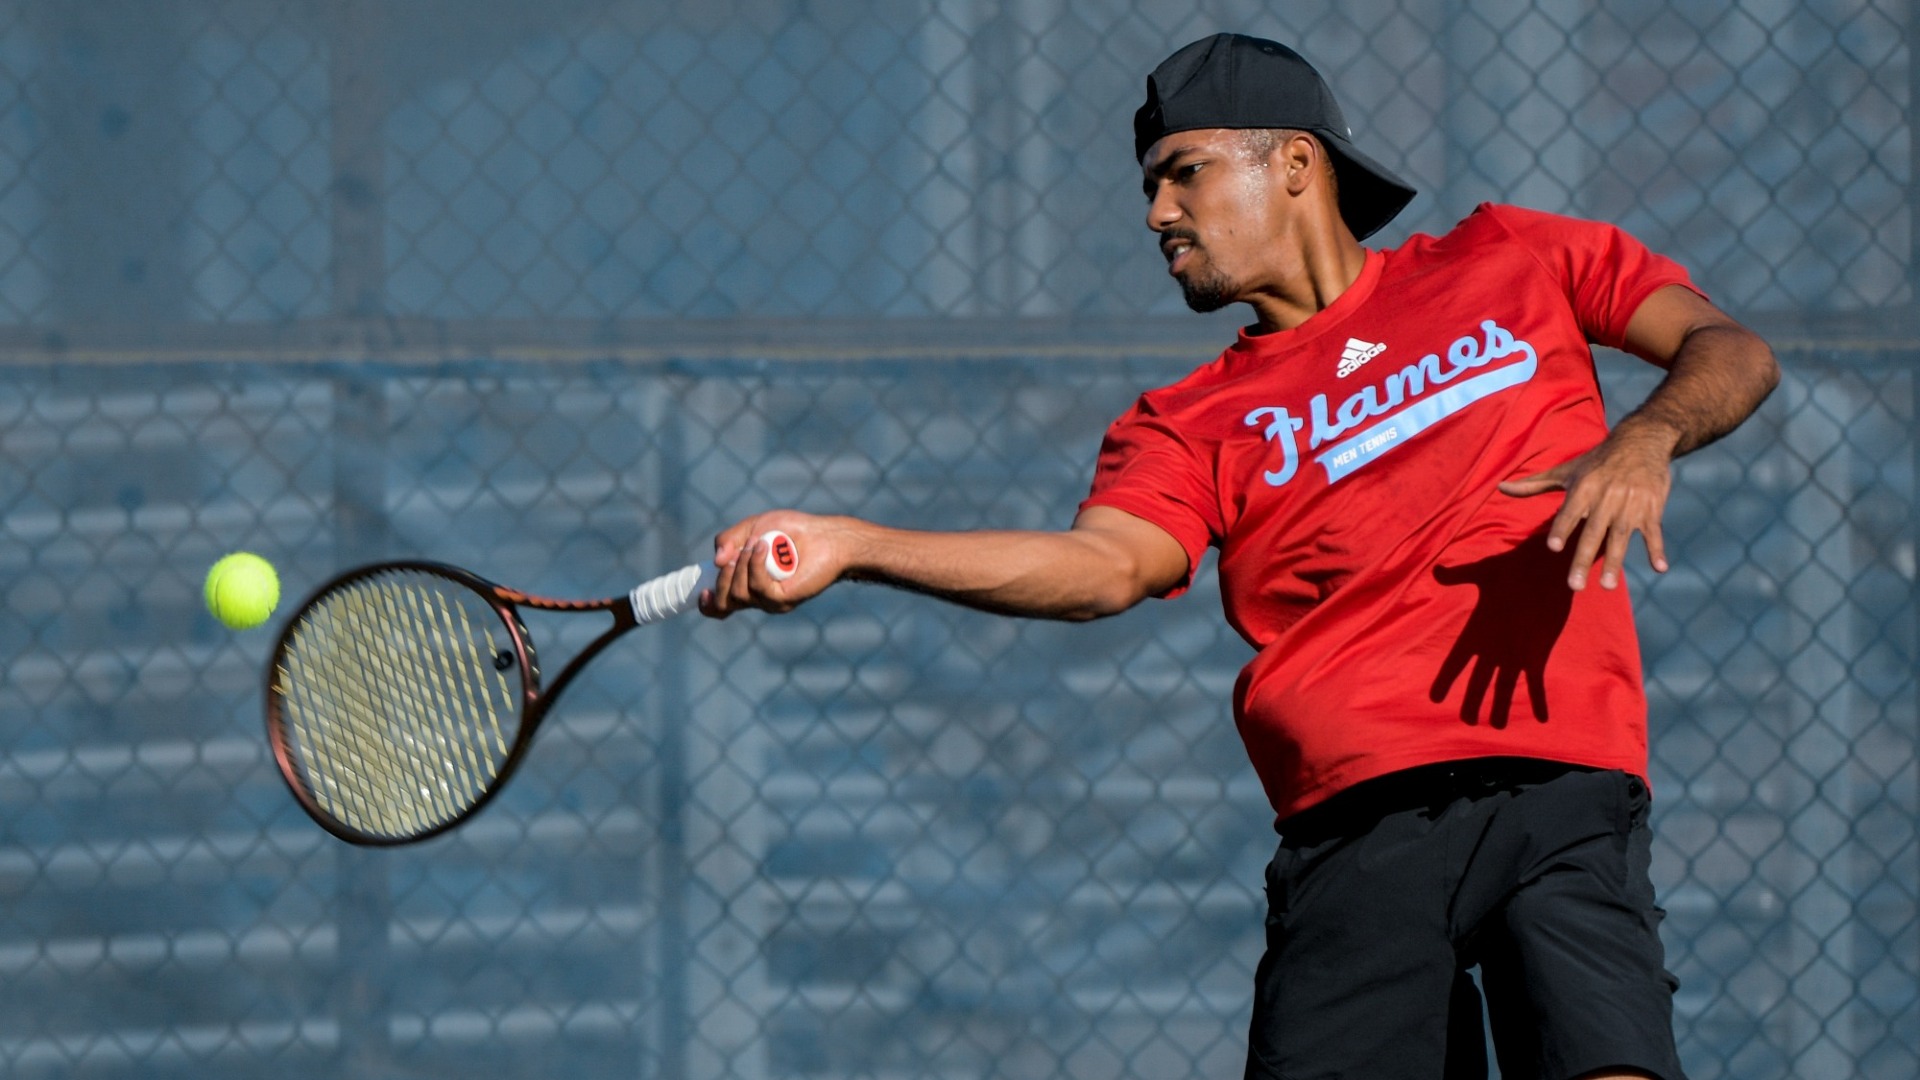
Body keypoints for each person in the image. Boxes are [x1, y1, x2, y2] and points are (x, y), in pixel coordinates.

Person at [701, 32, 1779, 1080]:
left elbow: (1730, 347)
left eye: (1185, 173)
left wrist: (1645, 436)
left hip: (1560, 786)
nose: (1158, 211)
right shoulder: (1189, 420)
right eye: (1150, 188)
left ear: (1296, 163)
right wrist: (858, 544)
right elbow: (1101, 568)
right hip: (1353, 834)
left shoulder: (1512, 256)